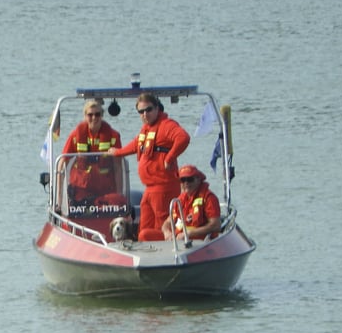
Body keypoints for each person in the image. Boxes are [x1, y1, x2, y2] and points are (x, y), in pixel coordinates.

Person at [107, 92, 190, 241]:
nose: (145, 114)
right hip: (149, 189)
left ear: (157, 108)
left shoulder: (166, 125)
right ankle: (144, 254)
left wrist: (170, 157)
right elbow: (135, 145)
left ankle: (164, 257)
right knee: (144, 229)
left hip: (164, 188)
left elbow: (183, 138)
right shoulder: (146, 130)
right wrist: (118, 152)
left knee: (162, 227)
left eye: (148, 109)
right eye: (141, 111)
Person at [60, 98, 124, 209]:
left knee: (117, 201)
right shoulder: (75, 136)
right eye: (90, 115)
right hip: (81, 189)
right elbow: (62, 163)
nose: (94, 118)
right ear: (85, 116)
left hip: (105, 189)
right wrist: (59, 198)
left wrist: (119, 195)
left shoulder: (113, 136)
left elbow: (118, 167)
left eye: (97, 114)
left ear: (102, 115)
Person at [161, 165, 222, 242]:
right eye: (183, 180)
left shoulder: (209, 198)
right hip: (177, 240)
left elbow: (216, 225)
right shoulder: (180, 199)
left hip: (198, 243)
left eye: (190, 179)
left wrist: (189, 233)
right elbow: (168, 222)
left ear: (198, 180)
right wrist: (167, 232)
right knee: (145, 234)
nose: (186, 183)